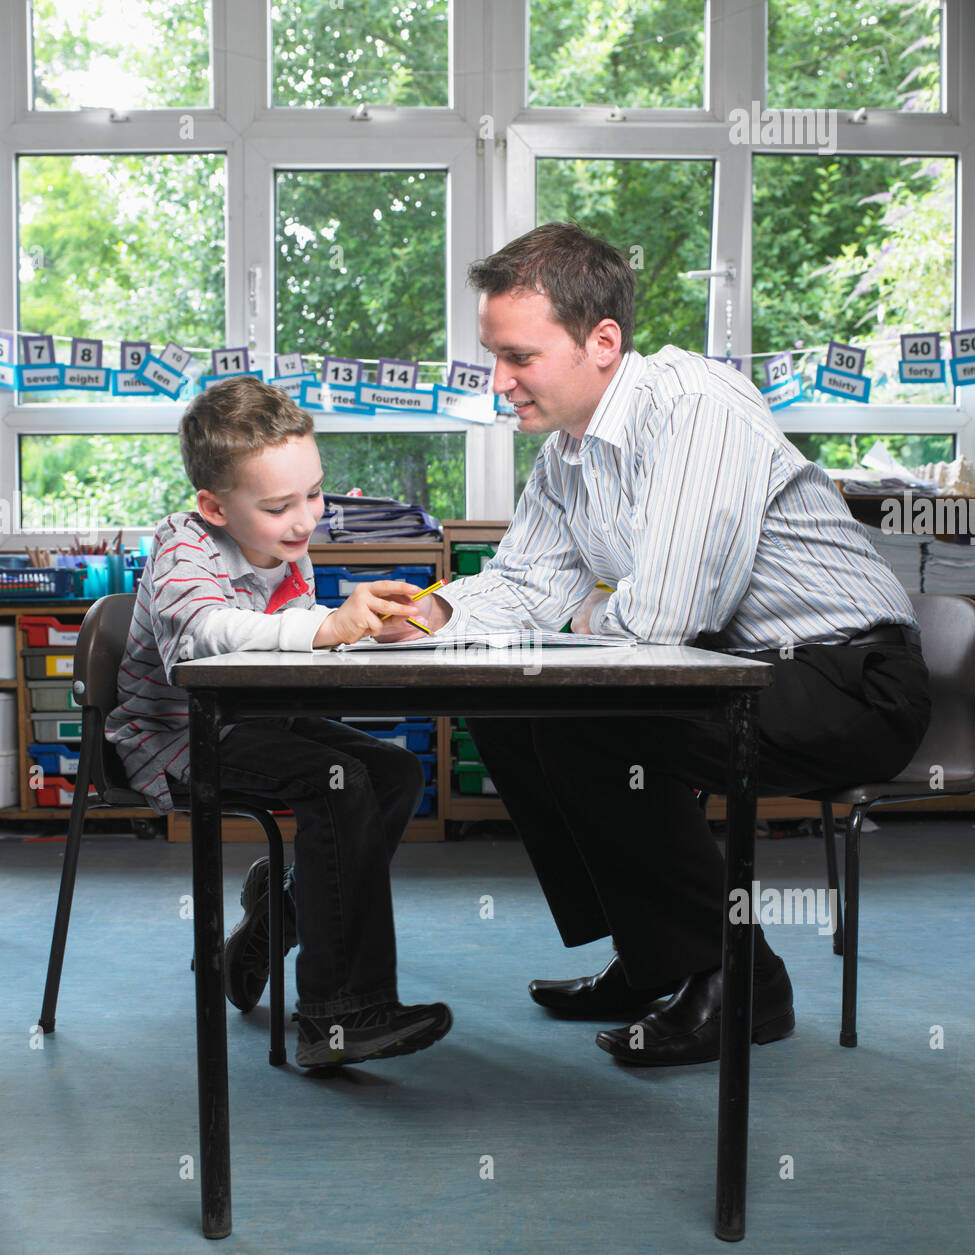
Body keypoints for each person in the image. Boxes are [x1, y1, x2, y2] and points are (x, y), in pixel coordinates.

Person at [398, 222, 931, 1068]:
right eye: (494, 357)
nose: (499, 383)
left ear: (601, 342)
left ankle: (734, 975)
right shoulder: (565, 459)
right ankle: (658, 959)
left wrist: (583, 624)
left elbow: (665, 615)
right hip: (732, 672)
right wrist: (426, 614)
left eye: (518, 357)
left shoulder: (694, 406)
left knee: (588, 720)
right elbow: (525, 584)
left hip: (845, 680)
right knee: (499, 698)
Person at [105, 376, 452, 1068]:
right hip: (173, 743)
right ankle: (337, 1017)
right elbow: (206, 631)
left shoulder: (288, 551)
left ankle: (281, 911)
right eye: (277, 506)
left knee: (391, 771)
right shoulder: (184, 549)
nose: (304, 521)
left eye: (314, 494)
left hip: (258, 723)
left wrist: (361, 628)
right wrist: (326, 627)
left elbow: (291, 641)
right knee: (336, 782)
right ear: (214, 505)